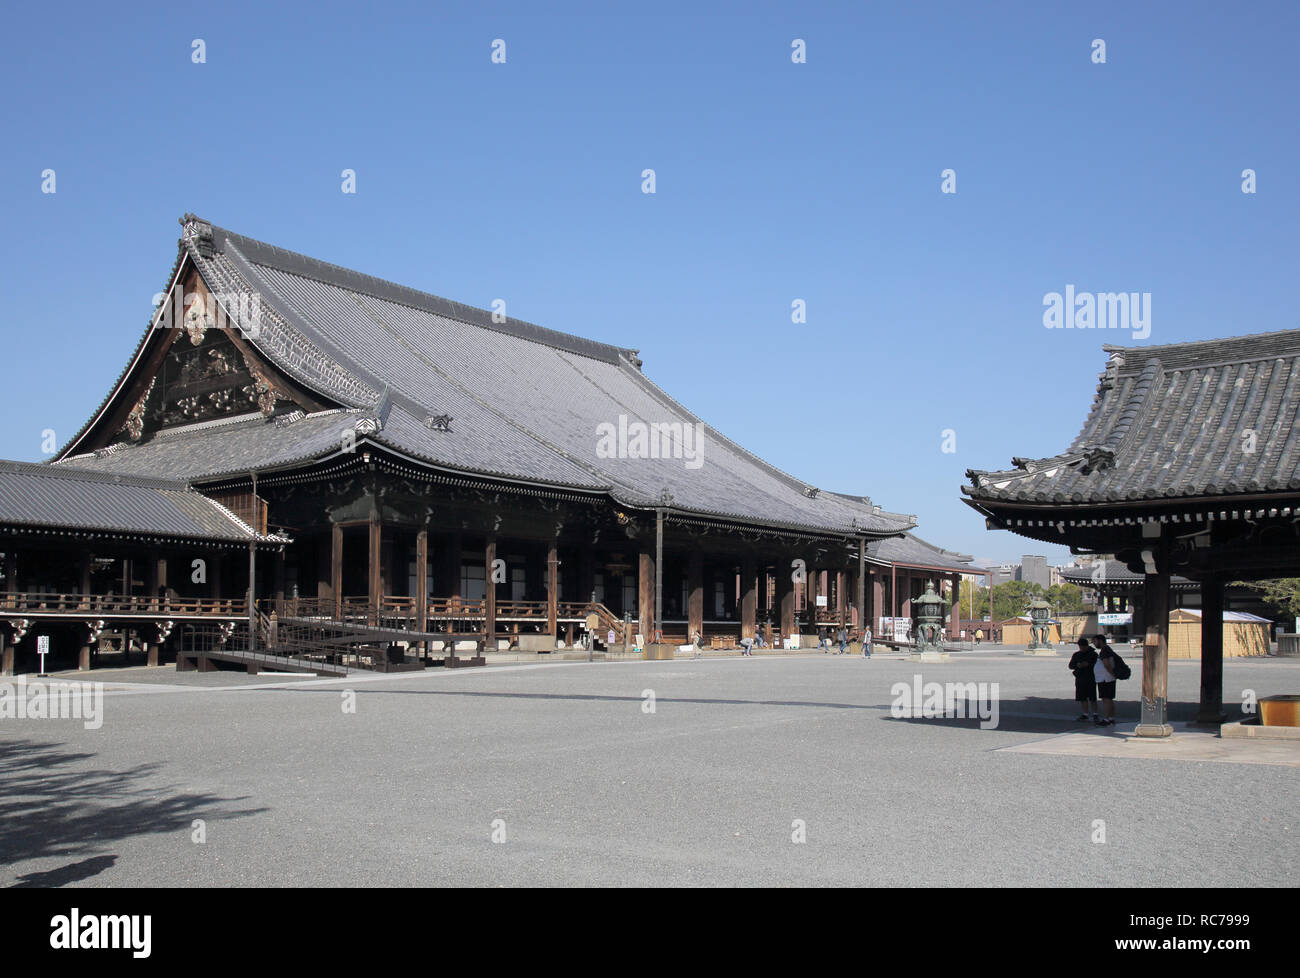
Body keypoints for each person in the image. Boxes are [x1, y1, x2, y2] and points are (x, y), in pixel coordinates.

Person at [1068, 636, 1099, 723]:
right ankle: (1085, 714)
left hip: (1091, 677)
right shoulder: (1076, 654)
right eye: (1080, 647)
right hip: (1080, 678)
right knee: (1082, 697)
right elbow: (1070, 666)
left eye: (1083, 647)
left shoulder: (1094, 654)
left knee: (1092, 697)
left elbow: (1097, 665)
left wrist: (1088, 664)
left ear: (1087, 646)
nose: (1081, 648)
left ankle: (1095, 714)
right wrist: (1077, 665)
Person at [1092, 634, 1118, 726]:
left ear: (1100, 641)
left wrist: (1112, 674)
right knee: (1109, 698)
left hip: (1105, 679)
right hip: (1107, 678)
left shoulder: (1104, 651)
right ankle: (1111, 718)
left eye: (1095, 641)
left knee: (1106, 699)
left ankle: (1107, 719)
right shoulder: (1107, 649)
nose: (1094, 644)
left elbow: (1106, 664)